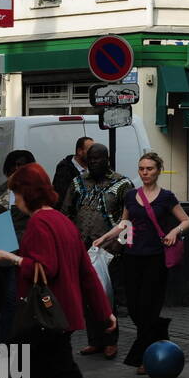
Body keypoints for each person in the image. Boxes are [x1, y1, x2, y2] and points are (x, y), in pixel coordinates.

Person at [0, 163, 137, 378]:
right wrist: (105, 312)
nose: (14, 199)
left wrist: (11, 258)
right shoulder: (64, 222)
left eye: (14, 192)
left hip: (41, 319)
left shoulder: (40, 224)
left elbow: (45, 268)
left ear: (25, 193)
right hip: (59, 318)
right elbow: (86, 274)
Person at [93, 152, 189, 374]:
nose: (145, 172)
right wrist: (105, 237)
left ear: (158, 171)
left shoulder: (167, 197)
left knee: (148, 307)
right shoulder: (130, 195)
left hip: (156, 258)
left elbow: (187, 220)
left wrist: (174, 231)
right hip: (132, 257)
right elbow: (124, 223)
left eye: (149, 169)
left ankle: (143, 358)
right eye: (141, 169)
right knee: (135, 309)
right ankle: (160, 333)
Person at [61, 143, 133, 359]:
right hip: (82, 247)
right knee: (87, 297)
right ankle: (95, 341)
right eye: (90, 159)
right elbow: (66, 212)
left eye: (98, 159)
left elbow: (129, 220)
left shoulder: (122, 184)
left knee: (107, 296)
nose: (93, 163)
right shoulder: (77, 182)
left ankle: (111, 341)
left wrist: (120, 245)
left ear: (107, 159)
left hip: (109, 250)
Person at [0, 150, 36, 342]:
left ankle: (13, 340)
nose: (19, 168)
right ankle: (6, 339)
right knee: (6, 302)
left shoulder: (34, 192)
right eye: (16, 165)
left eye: (23, 165)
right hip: (3, 254)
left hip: (25, 253)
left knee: (14, 299)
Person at [53, 136, 93, 208]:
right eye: (90, 150)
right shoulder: (64, 170)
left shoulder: (93, 168)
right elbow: (62, 198)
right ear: (80, 151)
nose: (94, 154)